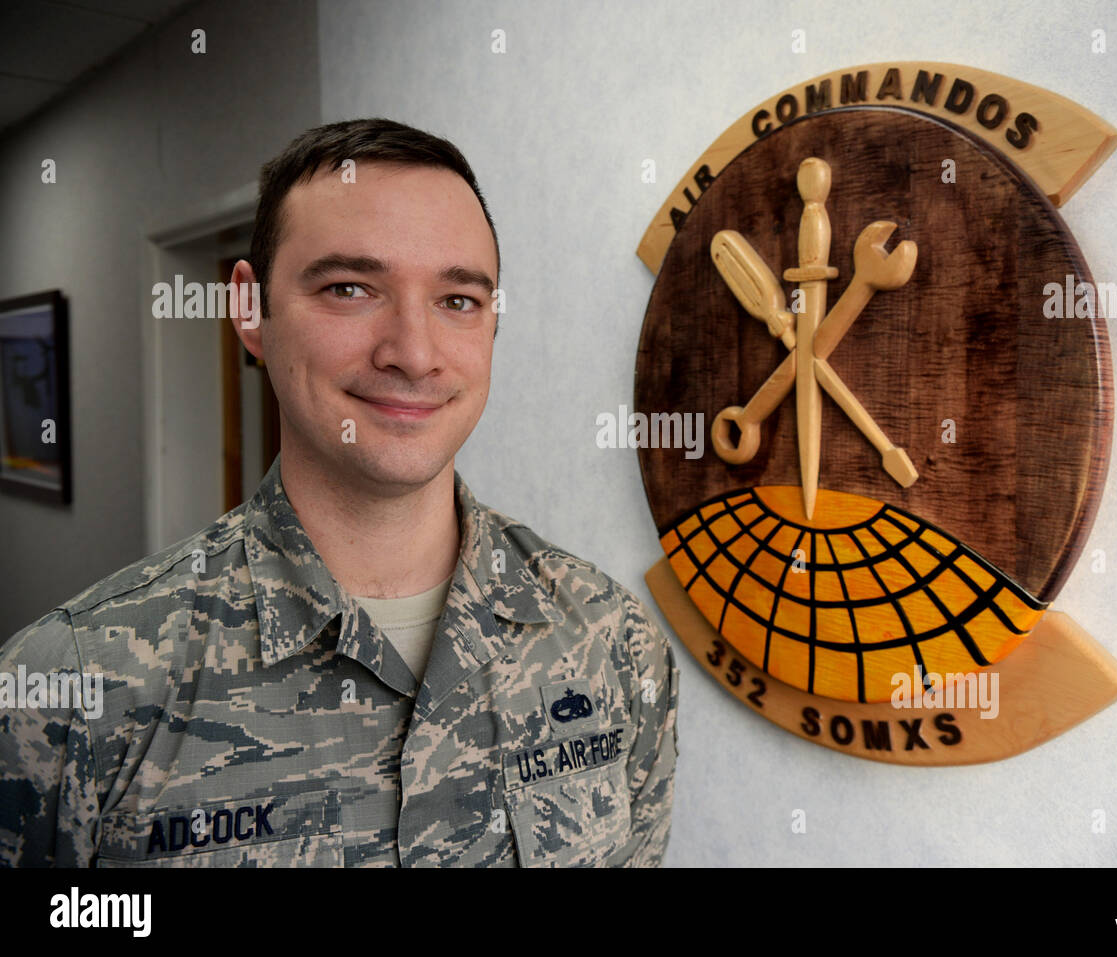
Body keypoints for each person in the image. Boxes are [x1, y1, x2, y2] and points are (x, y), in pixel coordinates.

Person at [0, 118, 679, 867]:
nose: (414, 354)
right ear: (251, 310)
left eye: (457, 300)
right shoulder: (73, 687)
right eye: (350, 288)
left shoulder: (612, 643)